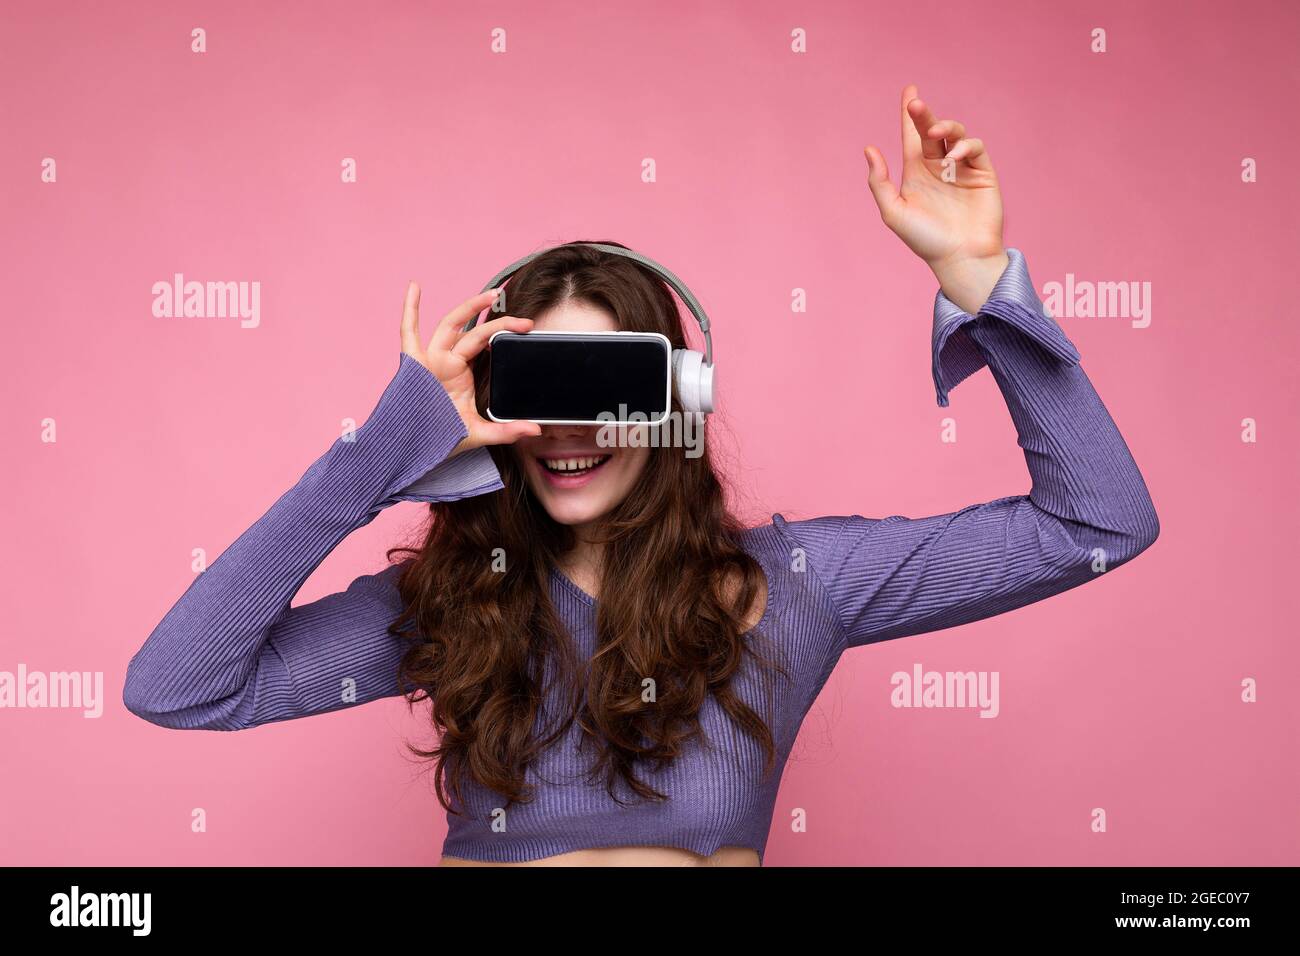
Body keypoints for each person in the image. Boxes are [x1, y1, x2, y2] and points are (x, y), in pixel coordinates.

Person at [123, 86, 1159, 867]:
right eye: (536, 383)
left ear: (678, 401)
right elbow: (177, 686)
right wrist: (384, 452)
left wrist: (978, 284)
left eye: (606, 380)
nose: (568, 422)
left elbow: (1096, 522)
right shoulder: (449, 605)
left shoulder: (797, 585)